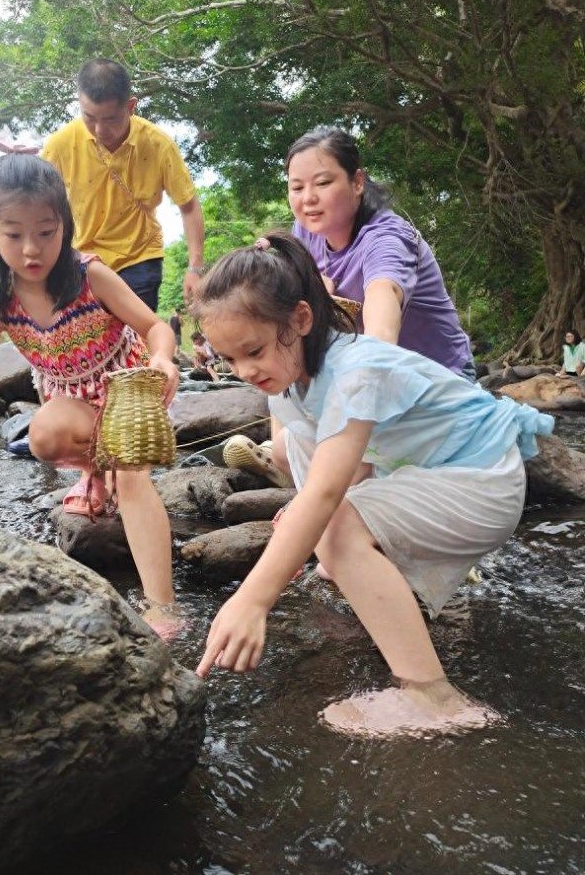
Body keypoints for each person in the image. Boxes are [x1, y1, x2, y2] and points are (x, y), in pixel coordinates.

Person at [193, 231, 553, 738]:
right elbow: (331, 472)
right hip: (423, 473)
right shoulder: (291, 379)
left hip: (482, 480)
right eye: (229, 360)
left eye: (252, 350)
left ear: (300, 319)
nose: (245, 371)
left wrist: (254, 598)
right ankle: (374, 569)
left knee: (333, 528)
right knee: (301, 467)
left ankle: (434, 698)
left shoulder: (355, 370)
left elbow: (325, 496)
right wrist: (303, 529)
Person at [0, 154, 182, 638]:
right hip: (71, 403)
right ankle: (94, 473)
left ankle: (163, 606)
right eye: (14, 234)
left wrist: (164, 359)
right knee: (42, 435)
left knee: (133, 478)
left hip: (126, 394)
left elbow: (153, 327)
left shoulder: (89, 276)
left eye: (46, 232)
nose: (31, 250)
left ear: (64, 224)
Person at [224, 127, 474, 487]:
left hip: (436, 387)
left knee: (352, 469)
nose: (308, 198)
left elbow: (382, 317)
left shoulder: (386, 240)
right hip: (364, 381)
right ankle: (286, 457)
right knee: (289, 337)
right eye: (297, 187)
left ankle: (297, 466)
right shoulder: (308, 231)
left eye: (323, 183)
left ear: (357, 182)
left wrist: (361, 382)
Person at [41, 58, 205, 309]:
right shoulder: (59, 145)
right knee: (90, 343)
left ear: (130, 107)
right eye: (89, 118)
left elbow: (189, 206)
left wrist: (194, 267)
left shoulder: (158, 144)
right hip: (83, 260)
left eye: (110, 119)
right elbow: (39, 206)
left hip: (140, 256)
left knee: (137, 339)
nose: (99, 130)